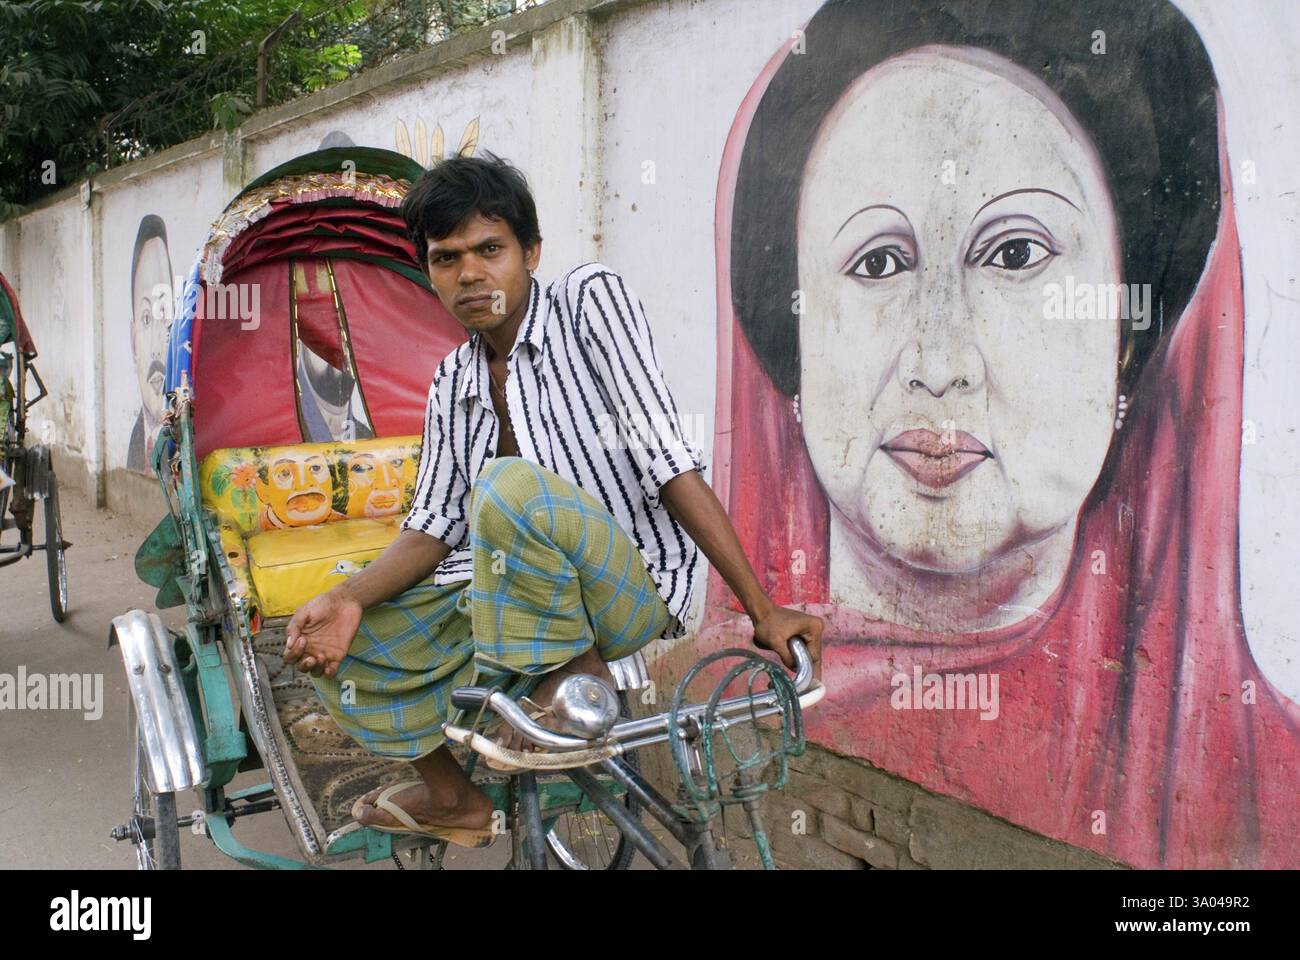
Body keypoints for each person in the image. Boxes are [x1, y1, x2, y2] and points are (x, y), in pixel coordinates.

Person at [701, 0, 1299, 868]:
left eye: (1016, 254)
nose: (939, 361)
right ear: (790, 347)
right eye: (877, 263)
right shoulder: (708, 697)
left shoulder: (1265, 785)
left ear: (1128, 342)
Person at [282, 153, 823, 844]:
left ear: (530, 252)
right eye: (447, 259)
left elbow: (670, 462)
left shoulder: (588, 303)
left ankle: (573, 684)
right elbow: (433, 524)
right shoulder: (452, 380)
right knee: (331, 633)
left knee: (506, 488)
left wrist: (761, 608)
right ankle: (455, 798)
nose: (471, 274)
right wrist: (351, 598)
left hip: (626, 587)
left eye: (490, 249)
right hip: (512, 596)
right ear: (430, 273)